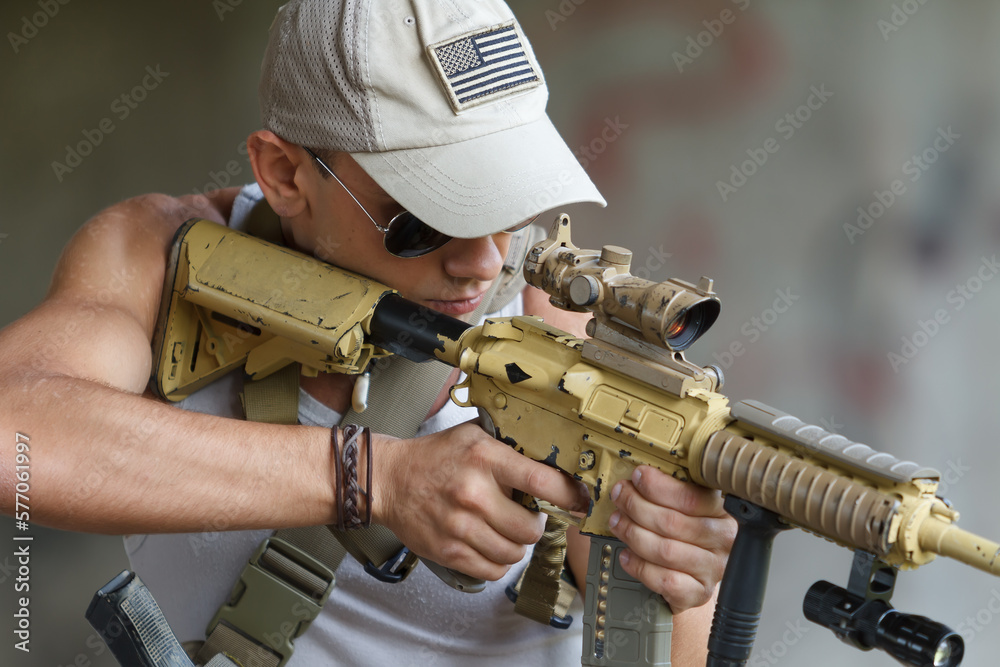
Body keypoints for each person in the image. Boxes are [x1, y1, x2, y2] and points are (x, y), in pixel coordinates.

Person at [0, 0, 735, 665]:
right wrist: (375, 477)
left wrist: (678, 576)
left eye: (505, 204)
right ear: (286, 173)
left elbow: (673, 642)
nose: (483, 262)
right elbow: (15, 433)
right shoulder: (158, 259)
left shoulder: (561, 331)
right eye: (424, 217)